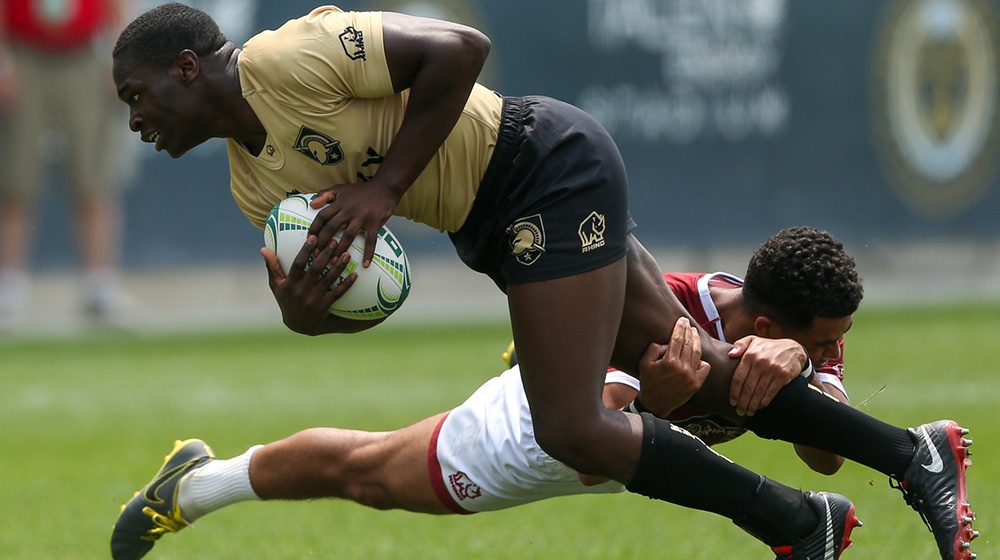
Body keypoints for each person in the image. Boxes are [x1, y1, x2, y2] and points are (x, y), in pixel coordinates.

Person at [110, 5, 975, 560]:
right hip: (494, 226)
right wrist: (307, 317)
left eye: (136, 95)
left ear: (188, 67)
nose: (135, 118)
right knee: (709, 372)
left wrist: (383, 186)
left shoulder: (290, 55)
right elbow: (365, 289)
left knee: (572, 425)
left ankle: (794, 522)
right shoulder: (251, 187)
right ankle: (912, 453)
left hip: (539, 161)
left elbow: (460, 47)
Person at [0, 0, 135, 324]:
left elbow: (116, 7)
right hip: (24, 56)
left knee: (95, 176)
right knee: (15, 179)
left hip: (83, 56)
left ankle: (99, 284)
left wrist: (119, 63)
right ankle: (9, 284)